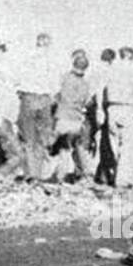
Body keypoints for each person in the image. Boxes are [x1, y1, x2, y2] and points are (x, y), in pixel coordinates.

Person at [0, 41, 27, 179]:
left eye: (0, 50)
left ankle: (1, 174)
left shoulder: (5, 69)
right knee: (16, 153)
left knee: (1, 148)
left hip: (6, 115)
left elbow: (16, 84)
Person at [16, 33, 56, 181]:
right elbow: (55, 86)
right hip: (44, 99)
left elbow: (18, 82)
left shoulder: (27, 57)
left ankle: (30, 172)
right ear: (48, 44)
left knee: (28, 137)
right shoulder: (51, 60)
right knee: (42, 138)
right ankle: (39, 172)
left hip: (28, 97)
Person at [105, 46, 133, 188]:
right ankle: (124, 179)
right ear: (130, 56)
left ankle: (116, 173)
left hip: (112, 108)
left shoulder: (111, 70)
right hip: (127, 108)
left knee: (114, 144)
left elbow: (105, 90)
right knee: (128, 145)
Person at [53, 49, 94, 181]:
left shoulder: (64, 78)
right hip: (77, 120)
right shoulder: (85, 84)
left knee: (64, 149)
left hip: (63, 118)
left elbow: (55, 96)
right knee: (79, 148)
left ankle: (61, 176)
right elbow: (88, 102)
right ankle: (86, 175)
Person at [92, 48, 116, 183]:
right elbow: (100, 92)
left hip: (99, 109)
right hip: (104, 110)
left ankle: (101, 174)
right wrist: (100, 109)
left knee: (100, 142)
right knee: (104, 143)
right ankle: (104, 174)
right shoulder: (108, 72)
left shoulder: (96, 70)